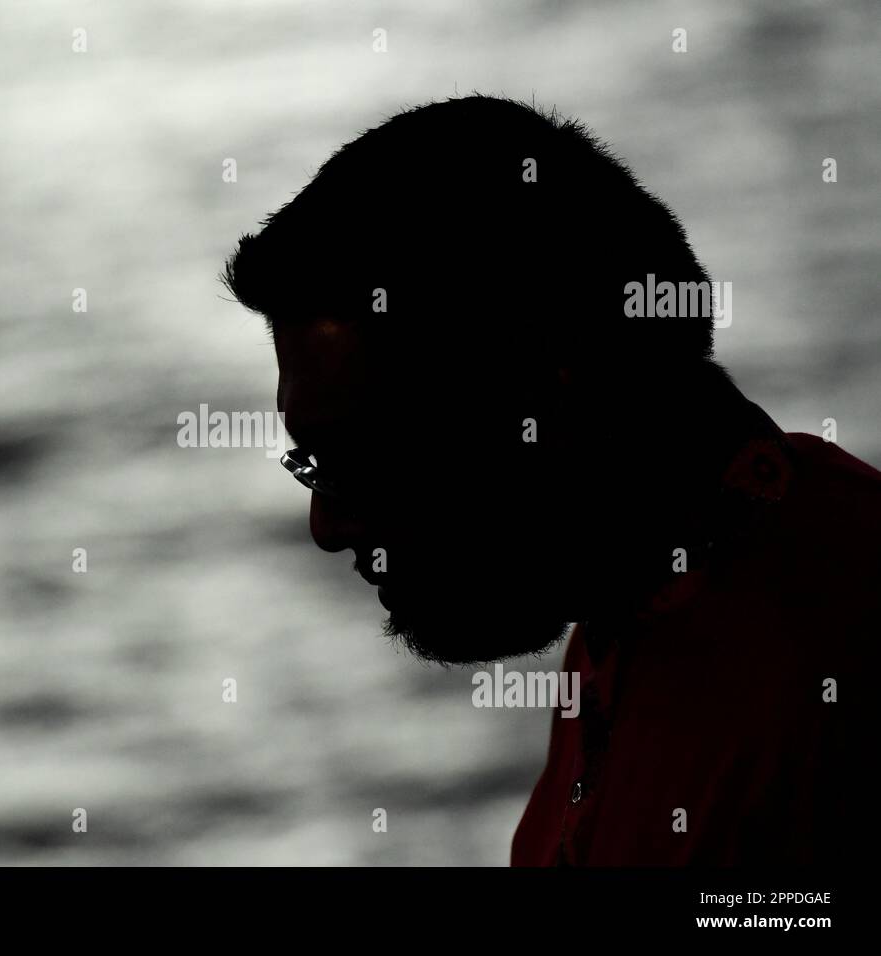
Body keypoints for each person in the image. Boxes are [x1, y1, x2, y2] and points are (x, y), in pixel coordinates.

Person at [221, 94, 875, 865]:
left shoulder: (837, 682)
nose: (327, 528)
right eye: (315, 467)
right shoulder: (631, 607)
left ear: (549, 389)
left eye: (363, 461)